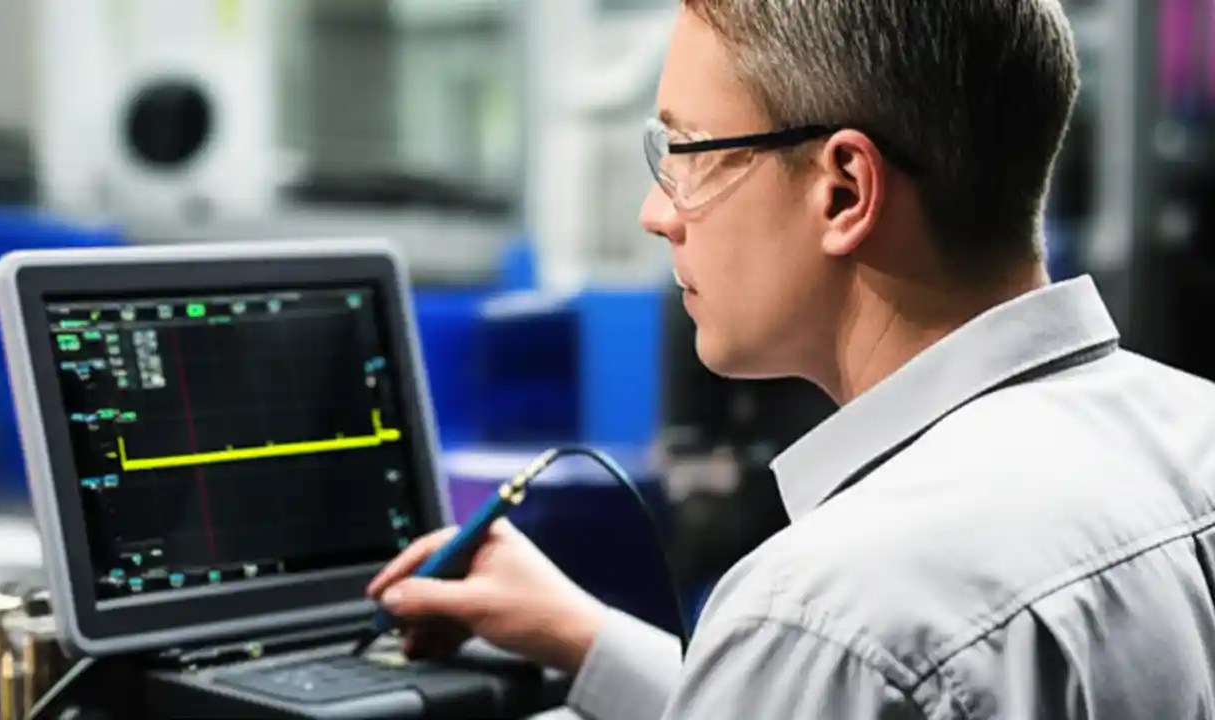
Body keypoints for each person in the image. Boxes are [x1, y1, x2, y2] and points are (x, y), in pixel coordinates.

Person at [370, 1, 1215, 717]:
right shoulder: (1193, 439)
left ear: (843, 190)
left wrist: (772, 649)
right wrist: (586, 639)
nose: (656, 213)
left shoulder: (830, 612)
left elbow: (848, 657)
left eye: (686, 155)